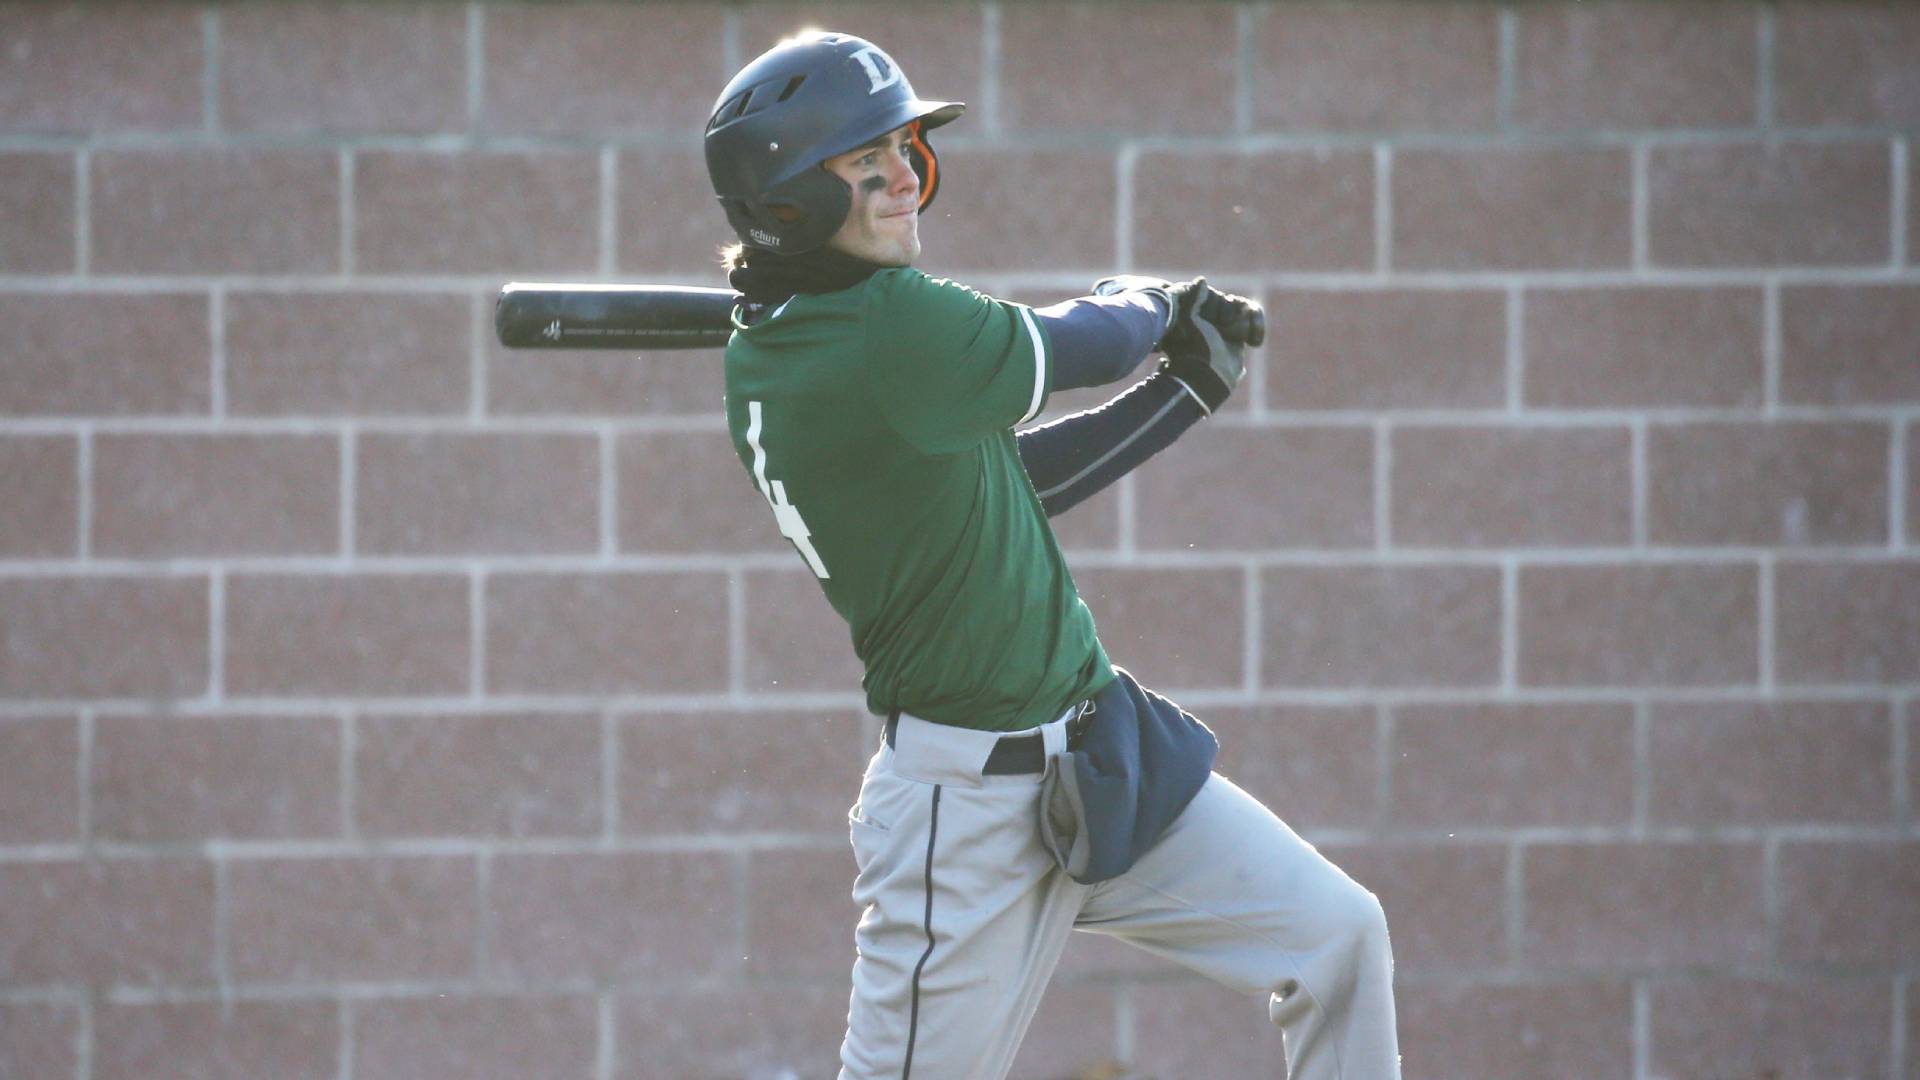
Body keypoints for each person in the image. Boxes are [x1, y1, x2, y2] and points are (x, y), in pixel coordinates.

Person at [704, 31, 1399, 1080]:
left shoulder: (812, 348)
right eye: (866, 163)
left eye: (906, 153)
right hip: (964, 812)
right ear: (792, 199)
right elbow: (1086, 342)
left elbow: (1012, 493)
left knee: (1339, 935)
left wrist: (1181, 393)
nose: (904, 181)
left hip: (1100, 751)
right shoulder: (888, 331)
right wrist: (1156, 300)